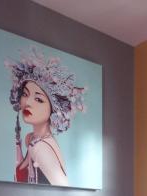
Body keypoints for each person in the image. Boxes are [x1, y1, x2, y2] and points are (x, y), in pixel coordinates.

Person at [5, 47, 86, 186]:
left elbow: (64, 189)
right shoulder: (30, 139)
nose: (28, 102)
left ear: (54, 109)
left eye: (38, 99)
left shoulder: (40, 148)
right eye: (25, 94)